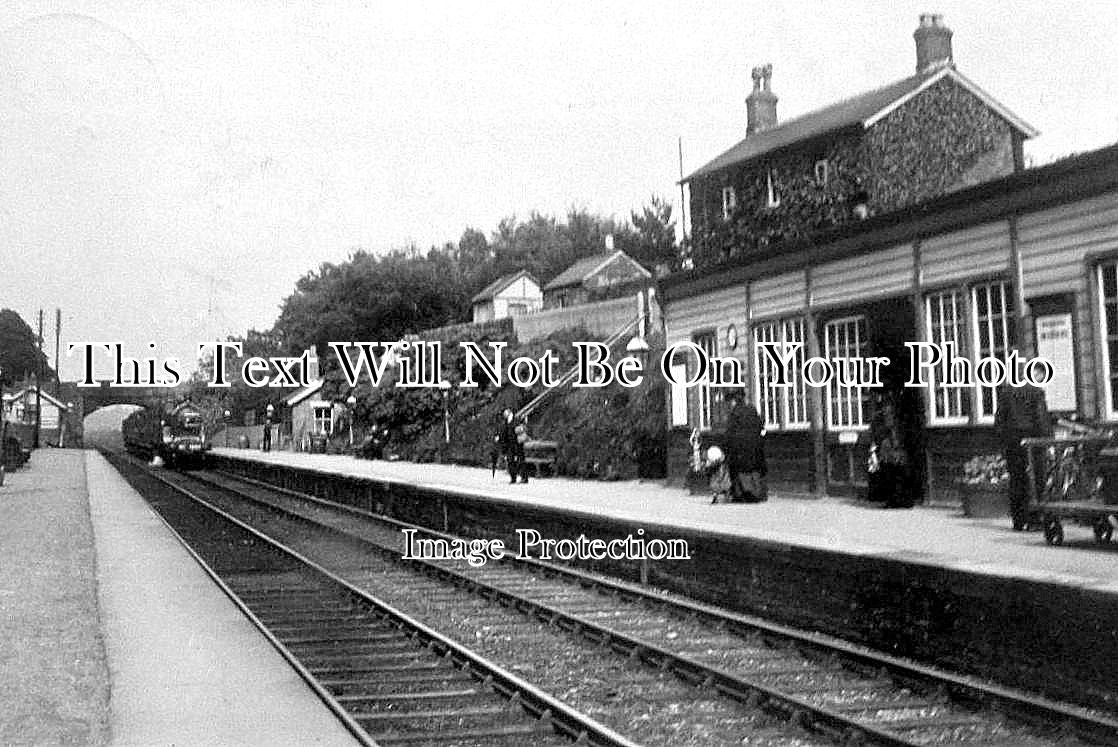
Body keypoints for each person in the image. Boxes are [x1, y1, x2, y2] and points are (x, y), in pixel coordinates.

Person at [995, 383, 1052, 530]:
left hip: (1013, 443)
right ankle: (1035, 518)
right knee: (1037, 479)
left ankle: (1018, 520)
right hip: (1034, 442)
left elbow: (999, 420)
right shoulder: (1036, 392)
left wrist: (1004, 441)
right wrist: (1047, 438)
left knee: (1016, 480)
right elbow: (1041, 418)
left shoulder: (1007, 392)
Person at [869, 391, 912, 508]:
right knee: (897, 473)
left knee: (892, 473)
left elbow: (889, 427)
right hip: (893, 446)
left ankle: (895, 500)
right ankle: (900, 499)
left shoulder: (888, 410)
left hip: (891, 446)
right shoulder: (895, 410)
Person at [723, 390, 766, 502]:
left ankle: (742, 495)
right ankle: (758, 493)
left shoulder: (734, 413)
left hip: (740, 450)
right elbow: (761, 426)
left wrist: (726, 446)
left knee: (739, 471)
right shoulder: (752, 409)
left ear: (733, 400)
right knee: (754, 471)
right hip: (754, 448)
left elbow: (730, 433)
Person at [496, 407, 528, 484]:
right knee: (510, 461)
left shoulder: (517, 419)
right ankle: (513, 478)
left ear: (509, 412)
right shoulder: (505, 421)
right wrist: (499, 438)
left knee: (520, 461)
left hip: (517, 443)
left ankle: (524, 478)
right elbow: (504, 432)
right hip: (509, 444)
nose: (504, 414)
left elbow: (522, 428)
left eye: (505, 412)